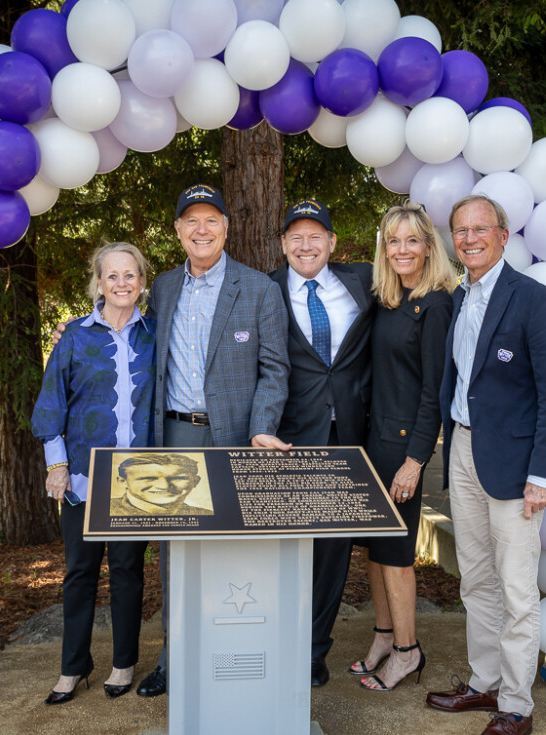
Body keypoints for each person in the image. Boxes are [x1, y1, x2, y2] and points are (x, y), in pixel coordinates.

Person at [425, 194, 546, 735]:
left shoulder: (535, 299)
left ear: (504, 236)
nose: (468, 239)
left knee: (516, 588)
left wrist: (543, 474)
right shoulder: (460, 297)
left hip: (516, 465)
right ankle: (485, 685)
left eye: (479, 229)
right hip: (463, 451)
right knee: (476, 580)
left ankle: (516, 705)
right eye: (459, 231)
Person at [135, 183, 290, 698]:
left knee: (234, 552)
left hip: (235, 438)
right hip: (174, 436)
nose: (201, 230)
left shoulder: (259, 289)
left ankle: (234, 658)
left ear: (227, 228)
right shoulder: (161, 288)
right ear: (178, 230)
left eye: (211, 221)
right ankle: (173, 660)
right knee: (175, 554)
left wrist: (261, 426)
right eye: (191, 221)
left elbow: (274, 369)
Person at [30, 242, 156, 705]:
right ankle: (73, 667)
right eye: (113, 276)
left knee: (127, 572)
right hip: (83, 477)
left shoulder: (155, 334)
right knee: (79, 573)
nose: (122, 283)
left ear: (142, 282)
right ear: (98, 283)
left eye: (131, 275)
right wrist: (57, 465)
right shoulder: (74, 337)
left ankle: (124, 662)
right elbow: (51, 402)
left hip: (137, 479)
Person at [268, 199, 375, 687]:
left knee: (333, 553)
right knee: (286, 549)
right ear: (283, 244)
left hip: (348, 435)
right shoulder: (263, 289)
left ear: (333, 242)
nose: (306, 245)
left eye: (316, 236)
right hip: (287, 438)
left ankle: (313, 651)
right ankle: (274, 640)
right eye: (296, 237)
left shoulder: (365, 282)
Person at [353, 201, 455, 692]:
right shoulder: (388, 298)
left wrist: (416, 460)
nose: (401, 249)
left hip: (401, 448)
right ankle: (382, 635)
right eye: (392, 240)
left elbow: (436, 392)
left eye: (412, 239)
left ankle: (408, 651)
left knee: (395, 553)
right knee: (374, 549)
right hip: (373, 441)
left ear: (429, 246)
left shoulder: (435, 304)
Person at [110, 453, 213, 516]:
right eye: (149, 478)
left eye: (178, 478)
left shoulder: (206, 515)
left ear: (195, 481)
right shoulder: (105, 512)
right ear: (123, 481)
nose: (164, 486)